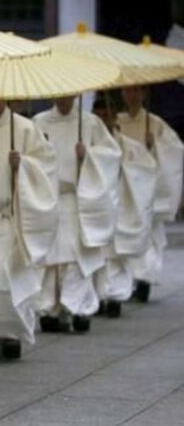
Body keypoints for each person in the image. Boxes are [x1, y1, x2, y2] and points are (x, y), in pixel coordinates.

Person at [0, 100, 58, 361]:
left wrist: (24, 164)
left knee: (6, 280)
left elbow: (46, 163)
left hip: (8, 215)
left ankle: (10, 333)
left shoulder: (25, 129)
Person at [34, 97, 121, 333]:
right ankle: (49, 309)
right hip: (49, 200)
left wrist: (89, 155)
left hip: (77, 198)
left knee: (75, 257)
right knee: (50, 260)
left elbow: (112, 154)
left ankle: (78, 308)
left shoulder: (90, 123)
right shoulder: (39, 123)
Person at [117, 86, 184, 302]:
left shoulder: (155, 124)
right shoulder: (118, 122)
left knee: (146, 233)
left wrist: (154, 146)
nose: (132, 95)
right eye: (128, 92)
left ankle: (143, 278)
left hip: (145, 186)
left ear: (144, 94)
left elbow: (174, 149)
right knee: (125, 232)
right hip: (124, 185)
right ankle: (126, 278)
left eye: (136, 92)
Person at [93, 96, 157, 317]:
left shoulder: (129, 147)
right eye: (98, 115)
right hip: (99, 205)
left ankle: (116, 296)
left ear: (113, 116)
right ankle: (99, 296)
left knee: (119, 255)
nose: (102, 119)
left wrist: (148, 150)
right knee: (99, 254)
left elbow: (145, 169)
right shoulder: (92, 145)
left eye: (106, 115)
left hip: (122, 203)